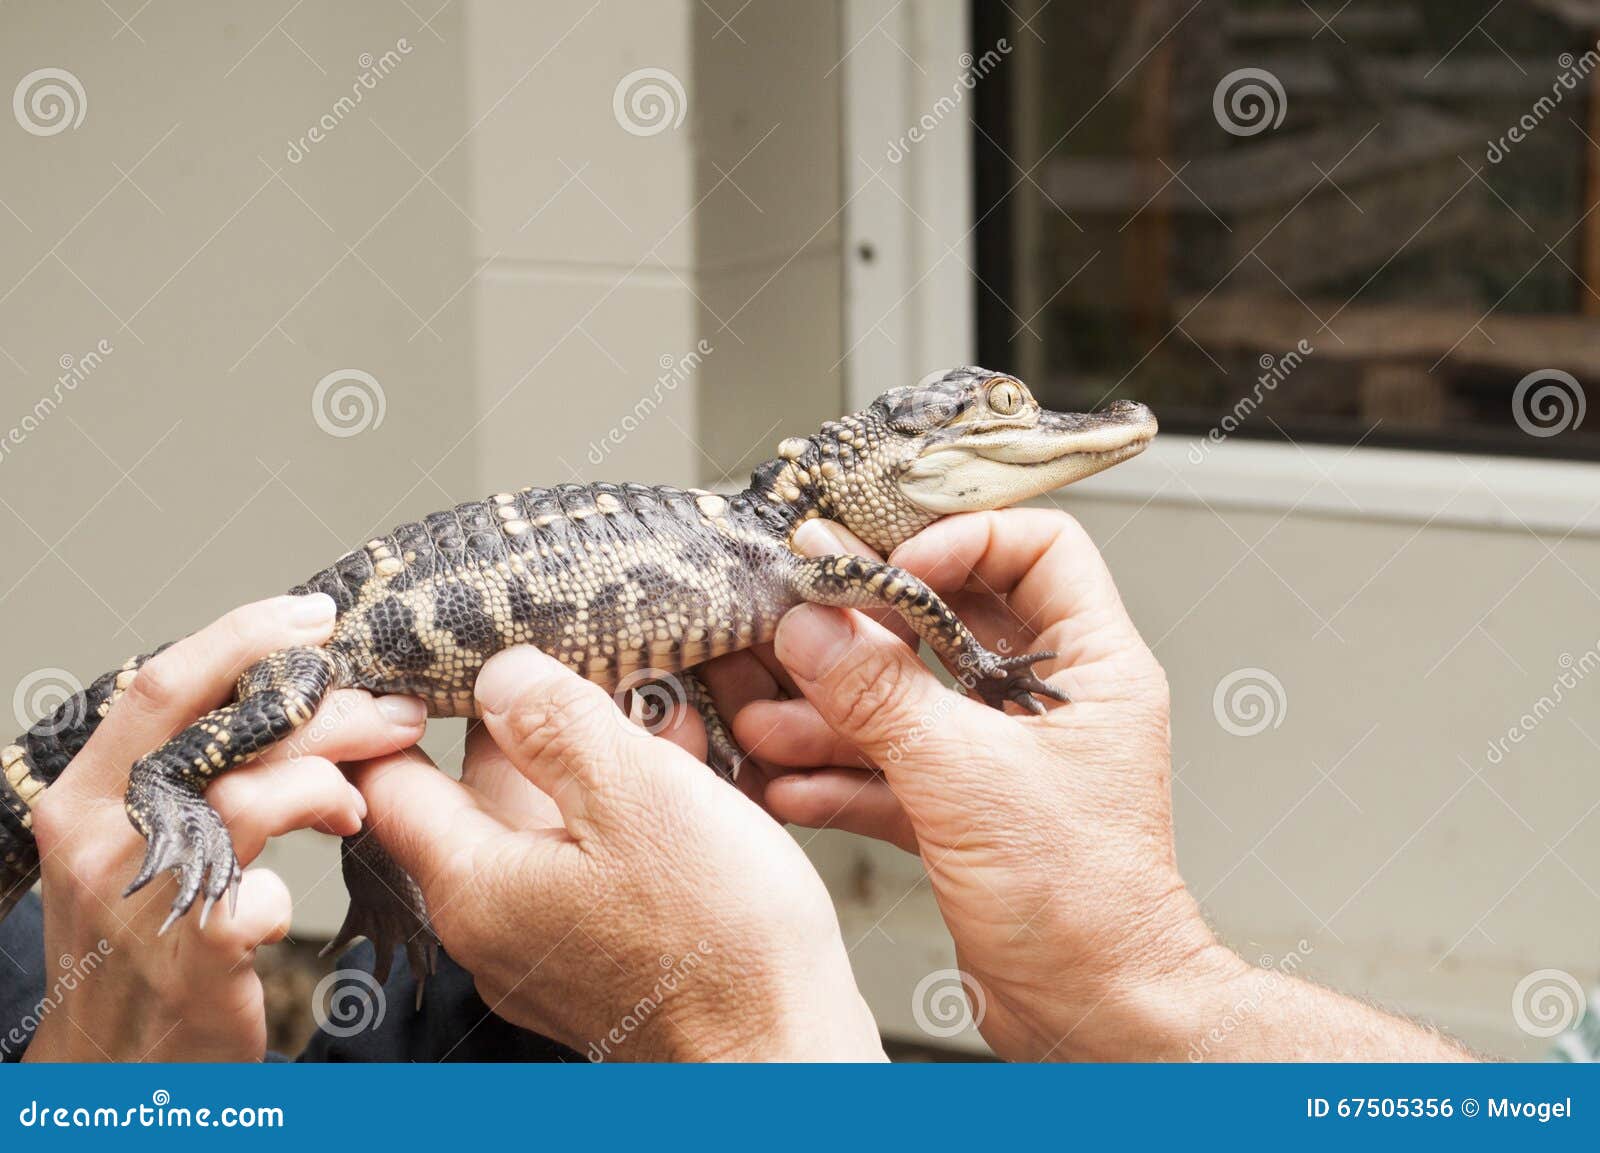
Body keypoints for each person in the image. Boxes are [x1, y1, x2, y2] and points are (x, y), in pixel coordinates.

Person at [5, 510, 1471, 1061]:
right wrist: (1149, 985)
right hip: (376, 642)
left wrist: (752, 1040)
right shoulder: (798, 559)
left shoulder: (803, 564)